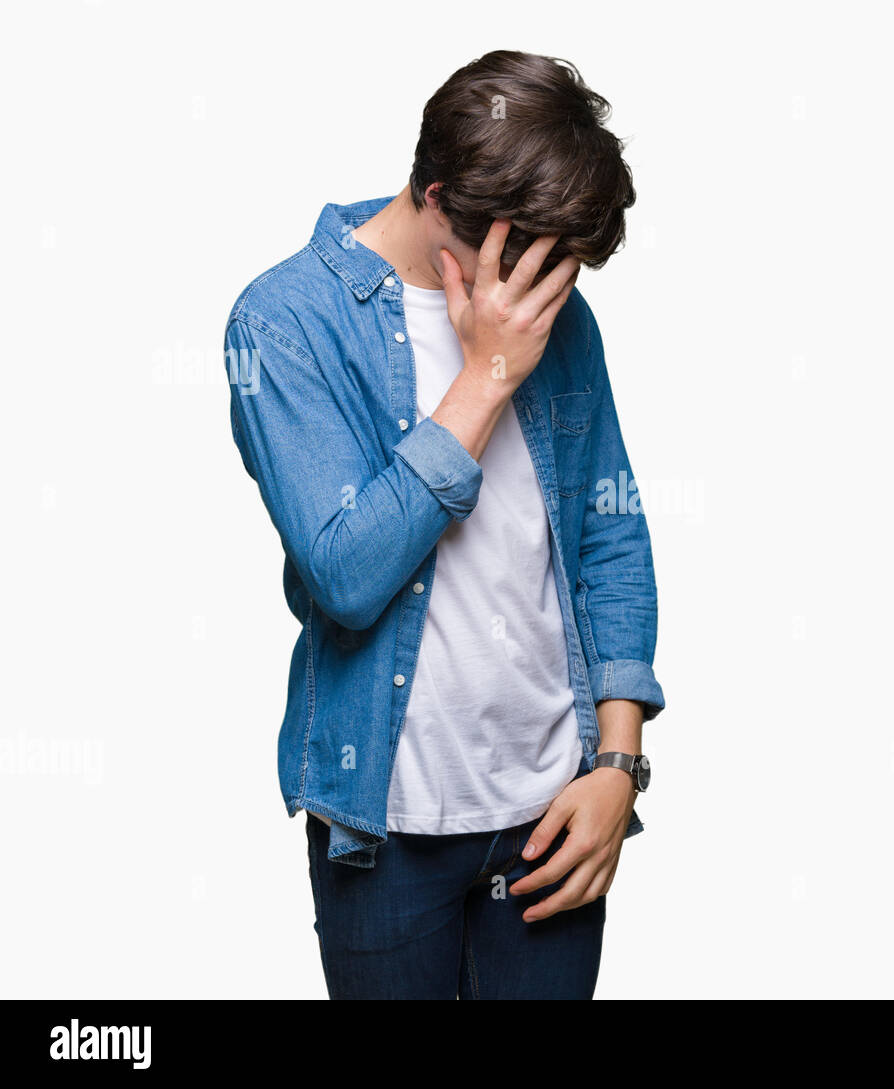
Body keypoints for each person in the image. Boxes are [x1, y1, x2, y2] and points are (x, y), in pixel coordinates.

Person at [223, 50, 663, 999]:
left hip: (555, 807)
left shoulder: (563, 317)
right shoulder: (285, 325)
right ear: (436, 201)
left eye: (565, 271)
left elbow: (609, 537)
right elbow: (347, 573)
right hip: (388, 823)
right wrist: (488, 375)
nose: (550, 292)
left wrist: (619, 764)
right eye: (532, 261)